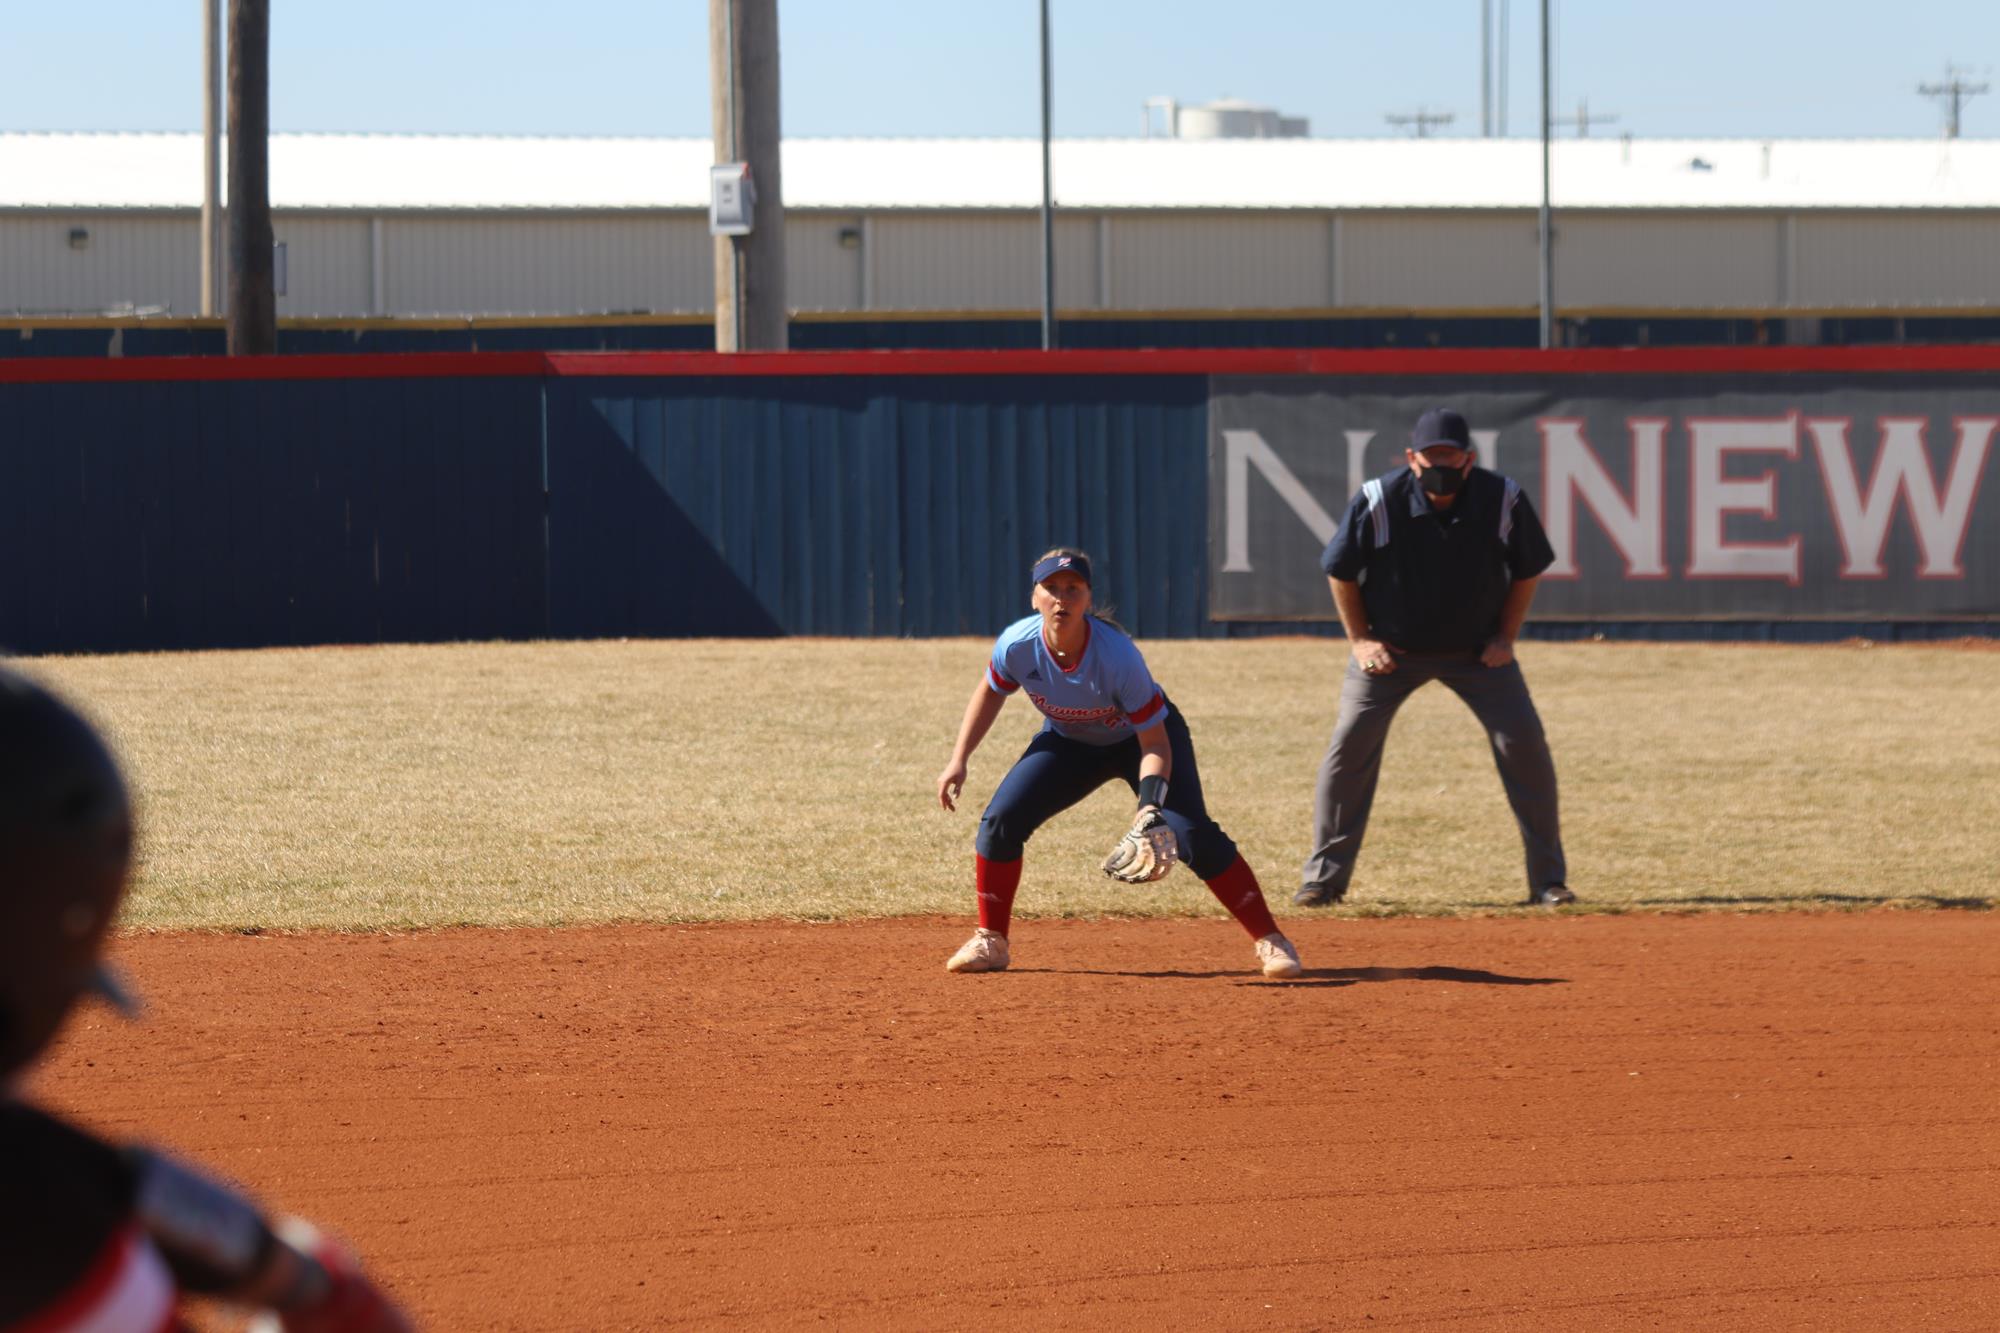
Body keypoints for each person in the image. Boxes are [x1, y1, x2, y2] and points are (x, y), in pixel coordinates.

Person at [0, 665, 412, 1333]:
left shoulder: (57, 1183)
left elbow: (76, 1171)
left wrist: (270, 1264)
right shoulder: (50, 1228)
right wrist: (312, 1284)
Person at [936, 548, 1303, 979]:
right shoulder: (1018, 645)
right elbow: (992, 689)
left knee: (1190, 833)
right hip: (1069, 742)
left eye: (1072, 589)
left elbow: (1156, 744)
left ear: (1088, 598)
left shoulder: (1117, 656)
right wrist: (958, 759)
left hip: (1140, 742)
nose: (1061, 598)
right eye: (1050, 589)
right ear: (1034, 598)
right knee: (1000, 821)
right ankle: (991, 941)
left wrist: (1149, 806)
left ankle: (1272, 941)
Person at [1295, 407, 1575, 909]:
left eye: (1450, 456)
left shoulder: (1503, 498)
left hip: (1476, 654)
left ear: (1469, 460)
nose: (1439, 465)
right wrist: (1360, 641)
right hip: (1391, 654)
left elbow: (1528, 568)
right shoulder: (1379, 499)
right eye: (1430, 457)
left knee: (1526, 745)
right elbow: (1340, 571)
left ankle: (1548, 882)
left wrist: (1505, 637)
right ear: (1412, 458)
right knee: (1348, 748)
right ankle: (1323, 881)